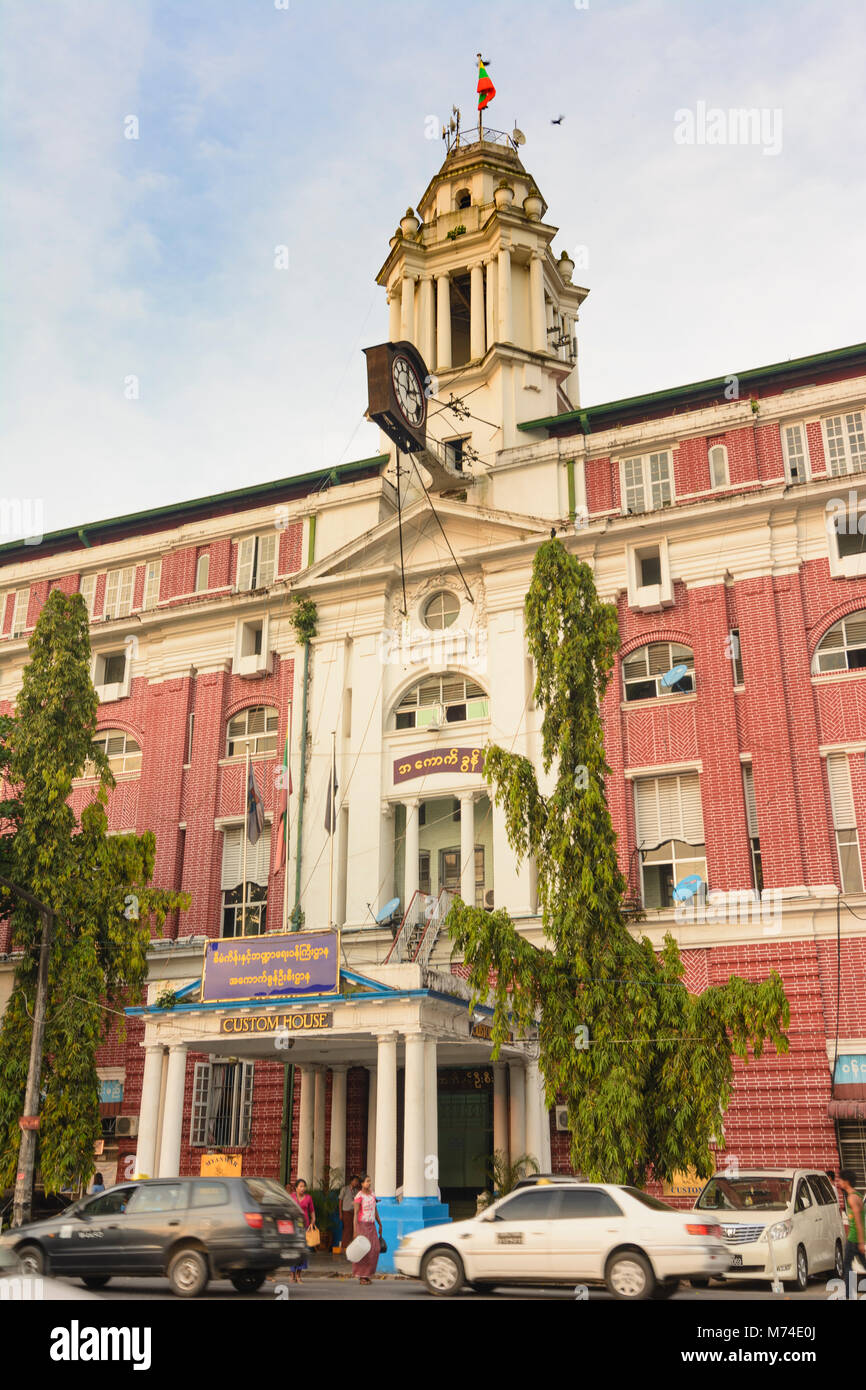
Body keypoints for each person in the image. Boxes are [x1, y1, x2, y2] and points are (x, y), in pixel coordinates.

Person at [835, 1169, 865, 1298]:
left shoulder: (852, 1198)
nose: (839, 1182)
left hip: (854, 1239)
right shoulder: (857, 1195)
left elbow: (858, 1220)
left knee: (847, 1266)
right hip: (856, 1238)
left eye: (840, 1180)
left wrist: (861, 1241)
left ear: (846, 1181)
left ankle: (849, 1295)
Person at [352, 1173, 383, 1285]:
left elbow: (375, 1211)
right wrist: (355, 1231)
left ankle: (368, 1273)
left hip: (371, 1225)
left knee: (375, 1249)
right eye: (367, 1181)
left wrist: (380, 1224)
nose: (369, 1183)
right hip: (362, 1226)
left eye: (370, 1181)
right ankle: (362, 1276)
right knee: (363, 1251)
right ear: (362, 1183)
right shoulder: (359, 1196)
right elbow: (355, 1214)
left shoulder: (372, 1195)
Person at [292, 1179, 316, 1285]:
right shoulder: (291, 1197)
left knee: (303, 1251)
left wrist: (312, 1222)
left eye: (304, 1186)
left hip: (304, 1227)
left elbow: (312, 1213)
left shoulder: (308, 1198)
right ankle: (292, 1274)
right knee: (293, 1251)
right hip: (293, 1227)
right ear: (296, 1188)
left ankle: (299, 1275)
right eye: (300, 1186)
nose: (303, 1188)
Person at [338, 1175, 360, 1251]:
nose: (356, 1183)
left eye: (357, 1181)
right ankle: (344, 1247)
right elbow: (340, 1201)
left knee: (353, 1229)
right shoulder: (345, 1189)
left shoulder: (356, 1191)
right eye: (355, 1181)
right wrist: (340, 1213)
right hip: (346, 1211)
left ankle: (350, 1247)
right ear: (351, 1181)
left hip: (354, 1212)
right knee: (347, 1229)